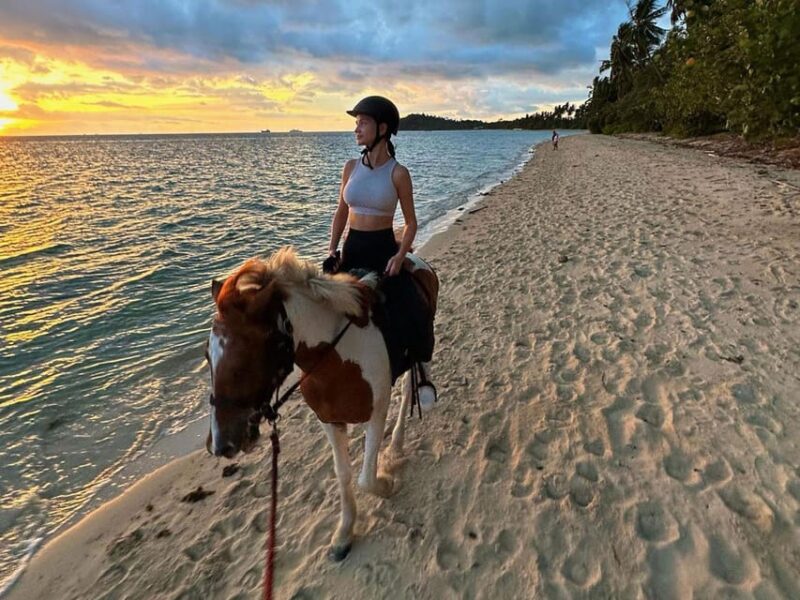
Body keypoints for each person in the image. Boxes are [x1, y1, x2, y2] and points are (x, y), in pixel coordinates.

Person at [324, 96, 431, 382]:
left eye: (363, 123)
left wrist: (399, 256)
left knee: (410, 310)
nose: (356, 129)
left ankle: (420, 374)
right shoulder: (350, 168)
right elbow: (340, 212)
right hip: (351, 249)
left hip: (383, 250)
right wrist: (332, 249)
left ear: (382, 129)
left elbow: (411, 223)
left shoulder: (398, 174)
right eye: (356, 123)